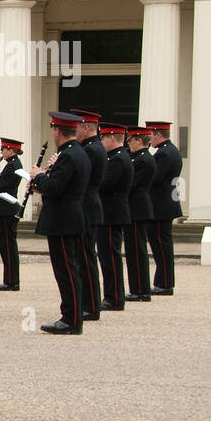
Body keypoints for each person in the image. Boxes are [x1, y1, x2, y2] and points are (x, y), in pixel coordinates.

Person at [28, 111, 89, 335]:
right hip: (69, 215)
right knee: (69, 268)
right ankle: (71, 315)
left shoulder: (68, 155)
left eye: (53, 129)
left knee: (66, 270)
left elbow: (55, 188)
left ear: (57, 130)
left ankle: (71, 319)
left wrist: (38, 176)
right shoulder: (77, 153)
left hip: (64, 218)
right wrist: (42, 184)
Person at [70, 109, 105, 321]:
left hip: (87, 206)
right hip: (89, 205)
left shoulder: (91, 150)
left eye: (77, 128)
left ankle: (91, 305)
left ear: (85, 127)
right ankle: (89, 302)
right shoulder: (93, 147)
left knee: (85, 257)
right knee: (85, 257)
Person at [97, 122, 133, 311]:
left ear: (112, 138)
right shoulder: (115, 157)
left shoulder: (118, 159)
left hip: (112, 214)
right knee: (107, 257)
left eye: (103, 137)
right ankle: (112, 295)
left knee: (110, 257)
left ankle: (114, 297)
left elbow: (105, 184)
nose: (101, 141)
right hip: (110, 213)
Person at [146, 120, 182, 295]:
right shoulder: (169, 151)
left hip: (161, 205)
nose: (149, 139)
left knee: (161, 246)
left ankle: (165, 283)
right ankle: (163, 281)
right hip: (164, 204)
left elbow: (155, 178)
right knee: (162, 245)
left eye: (150, 136)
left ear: (157, 134)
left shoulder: (165, 154)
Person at [124, 125, 155, 303]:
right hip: (136, 208)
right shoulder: (139, 158)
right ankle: (138, 288)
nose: (129, 144)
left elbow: (132, 183)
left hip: (138, 208)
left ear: (138, 140)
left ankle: (140, 290)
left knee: (136, 251)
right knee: (134, 250)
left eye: (131, 140)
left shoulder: (143, 160)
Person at [0, 137, 23, 291]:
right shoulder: (12, 164)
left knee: (8, 246)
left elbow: (2, 187)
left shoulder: (13, 166)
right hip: (5, 208)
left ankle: (11, 281)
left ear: (11, 150)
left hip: (6, 208)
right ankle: (10, 279)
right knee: (6, 245)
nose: (1, 152)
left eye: (3, 149)